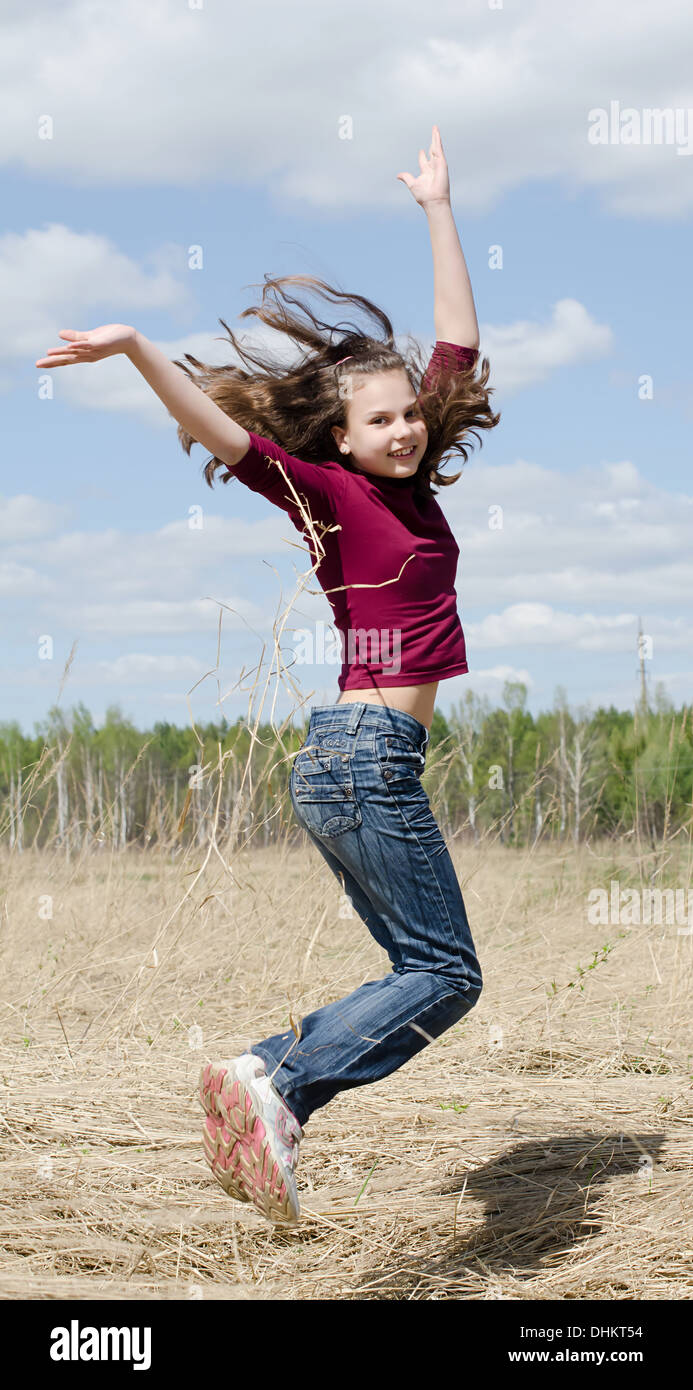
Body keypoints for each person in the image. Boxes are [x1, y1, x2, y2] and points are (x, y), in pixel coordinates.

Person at [35, 125, 500, 1227]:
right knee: (448, 974)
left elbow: (458, 343)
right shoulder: (334, 499)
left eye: (407, 415)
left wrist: (438, 209)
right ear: (338, 440)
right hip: (363, 758)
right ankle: (274, 1079)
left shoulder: (417, 486)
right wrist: (141, 347)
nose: (400, 428)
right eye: (377, 420)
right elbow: (230, 439)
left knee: (418, 971)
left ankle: (272, 1092)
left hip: (361, 762)